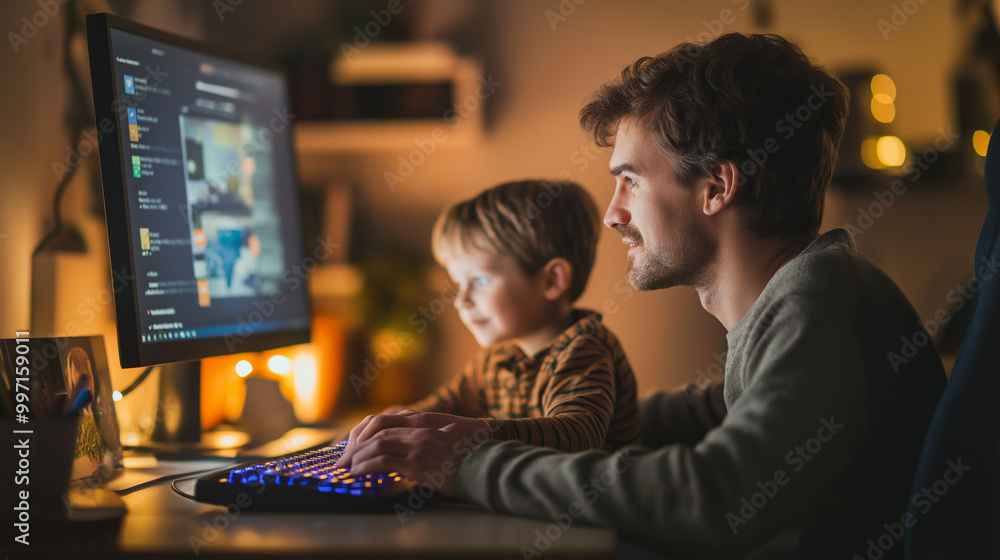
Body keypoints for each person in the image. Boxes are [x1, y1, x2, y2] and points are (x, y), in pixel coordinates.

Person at [338, 33, 946, 558]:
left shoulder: (815, 301)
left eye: (629, 180)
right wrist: (540, 419)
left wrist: (466, 462)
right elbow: (721, 410)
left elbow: (716, 497)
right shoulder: (814, 291)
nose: (611, 215)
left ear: (716, 187)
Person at [345, 180, 640, 453]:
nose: (462, 300)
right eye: (459, 284)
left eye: (480, 281)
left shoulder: (584, 350)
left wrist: (474, 432)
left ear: (552, 280)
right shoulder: (496, 359)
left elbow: (577, 435)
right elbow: (439, 408)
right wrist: (391, 423)